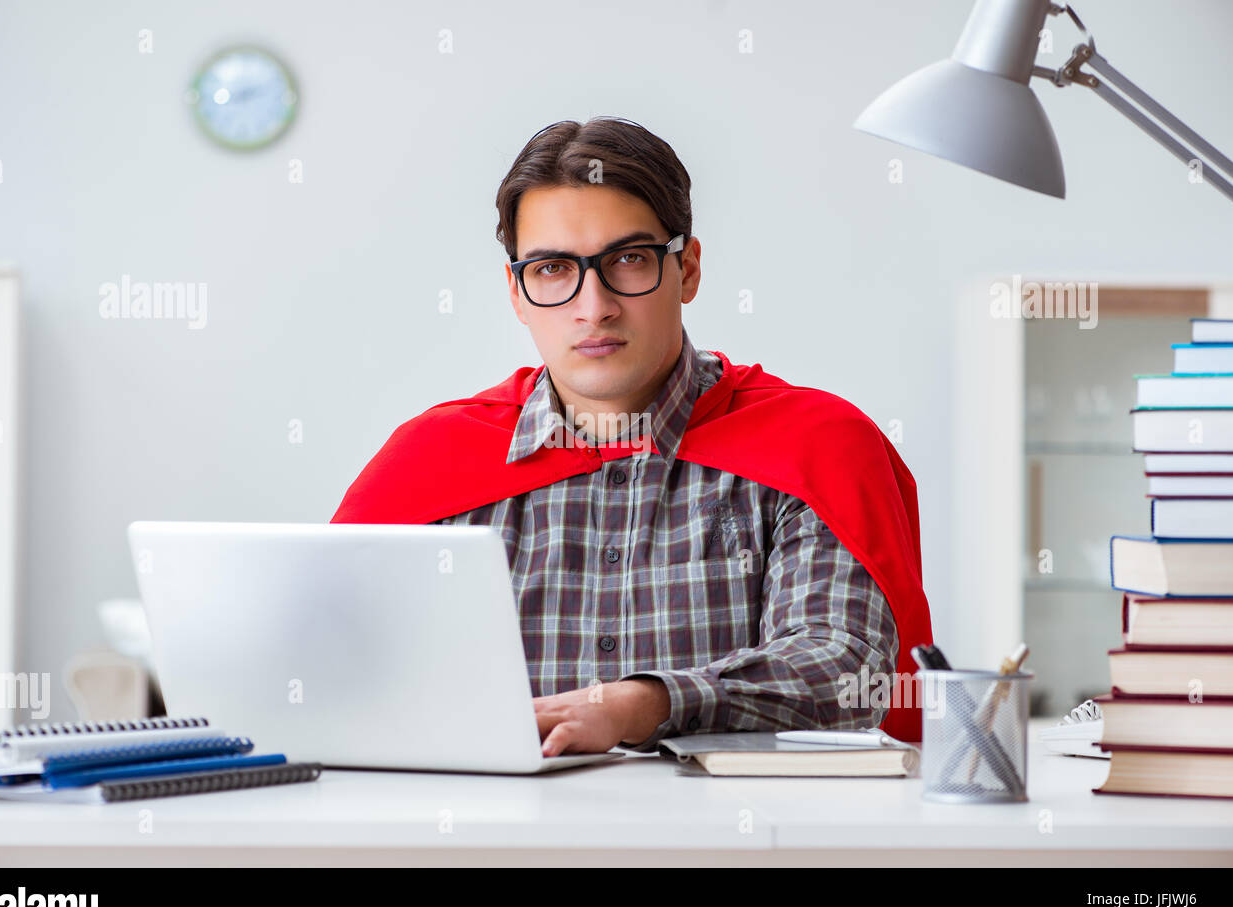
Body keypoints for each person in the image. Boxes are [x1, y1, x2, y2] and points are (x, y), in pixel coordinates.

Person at [332, 117, 932, 756]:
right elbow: (328, 667)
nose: (594, 307)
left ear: (688, 269)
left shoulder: (816, 446)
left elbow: (847, 674)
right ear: (516, 291)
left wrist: (646, 705)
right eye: (554, 269)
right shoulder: (427, 464)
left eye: (628, 259)